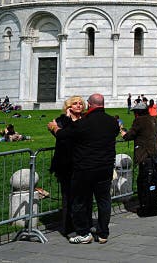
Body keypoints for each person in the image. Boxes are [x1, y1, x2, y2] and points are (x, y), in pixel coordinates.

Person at [48, 93, 120, 244]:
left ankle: (83, 232)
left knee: (78, 200)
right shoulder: (112, 122)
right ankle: (103, 233)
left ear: (89, 104)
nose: (80, 106)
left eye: (83, 103)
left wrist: (54, 128)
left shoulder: (84, 122)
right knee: (104, 200)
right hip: (105, 167)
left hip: (85, 168)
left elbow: (64, 135)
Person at [49, 96, 85, 236]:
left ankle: (82, 224)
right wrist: (68, 118)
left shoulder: (85, 120)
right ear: (68, 106)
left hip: (82, 162)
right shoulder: (60, 121)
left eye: (80, 103)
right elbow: (63, 136)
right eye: (75, 104)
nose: (78, 106)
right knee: (68, 196)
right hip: (66, 164)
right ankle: (68, 226)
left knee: (82, 196)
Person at [120, 101, 157, 217]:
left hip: (145, 154)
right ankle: (151, 207)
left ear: (138, 112)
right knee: (152, 181)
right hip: (155, 154)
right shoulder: (153, 119)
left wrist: (123, 133)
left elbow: (130, 135)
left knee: (144, 182)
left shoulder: (139, 120)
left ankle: (146, 208)